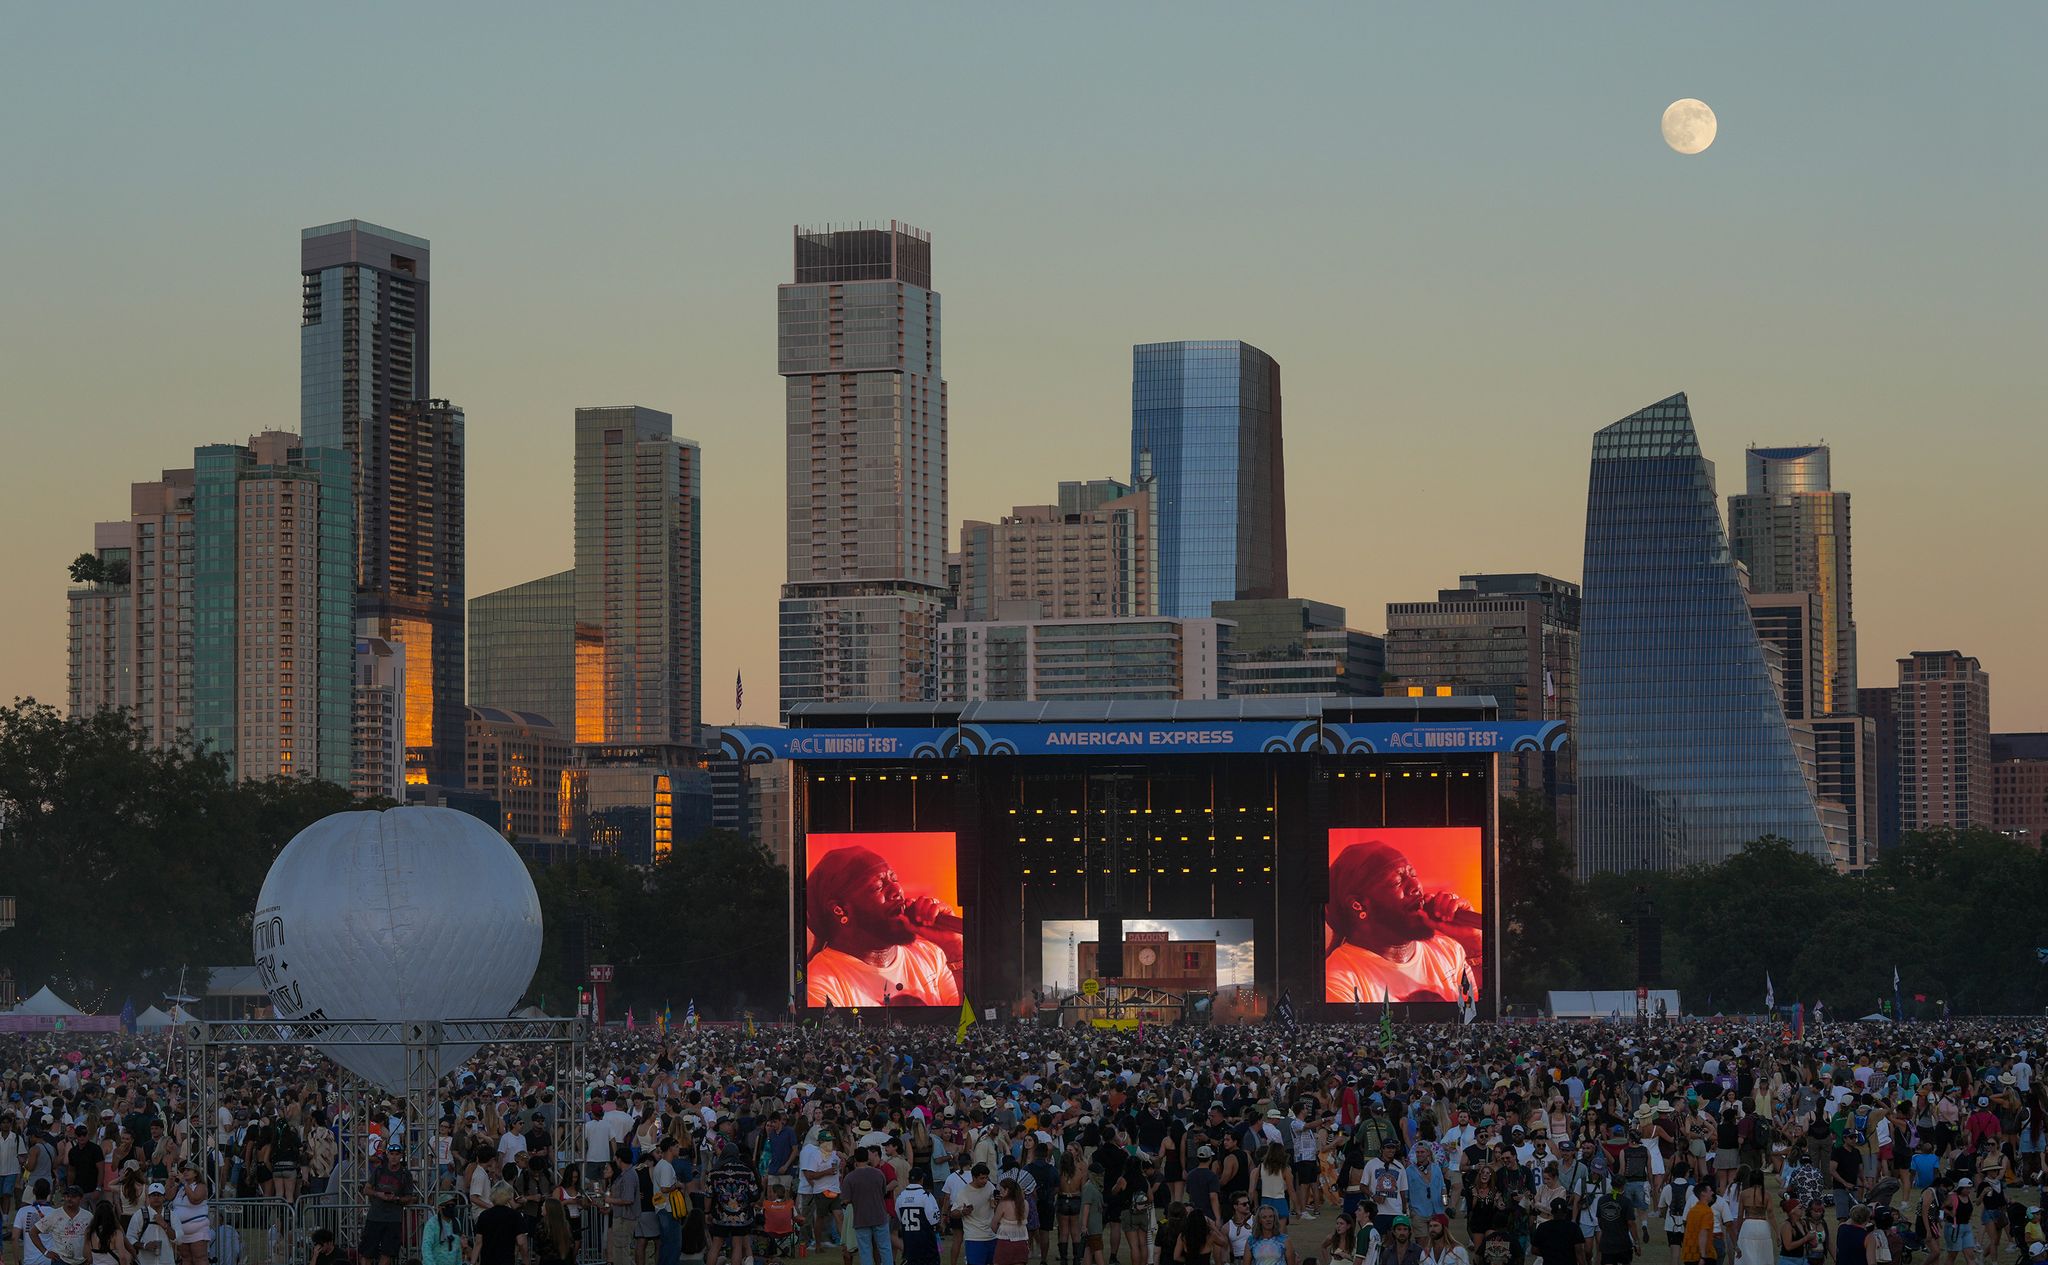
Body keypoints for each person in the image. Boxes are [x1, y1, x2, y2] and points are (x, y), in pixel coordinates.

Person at [804, 847, 963, 1009]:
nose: (897, 890)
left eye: (894, 879)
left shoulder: (930, 955)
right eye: (878, 886)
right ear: (839, 909)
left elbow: (970, 1024)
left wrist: (954, 948)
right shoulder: (818, 983)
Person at [1322, 842, 1479, 1005]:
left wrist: (1474, 944)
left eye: (1413, 874)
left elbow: (1479, 1018)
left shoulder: (1449, 951)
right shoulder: (1337, 981)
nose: (1416, 886)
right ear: (1358, 905)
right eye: (1397, 881)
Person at [364, 1144, 418, 1265]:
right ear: (387, 1155)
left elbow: (409, 1197)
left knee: (387, 1253)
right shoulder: (379, 1170)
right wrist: (379, 1194)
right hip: (375, 1217)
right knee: (367, 1252)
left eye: (397, 1154)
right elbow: (366, 1189)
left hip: (393, 1218)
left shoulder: (405, 1174)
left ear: (401, 1156)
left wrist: (396, 1198)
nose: (394, 1157)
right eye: (391, 1154)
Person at [846, 1148, 895, 1265]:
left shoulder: (850, 1177)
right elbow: (884, 1191)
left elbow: (846, 1199)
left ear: (856, 1159)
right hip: (879, 1215)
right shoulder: (879, 1173)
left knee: (865, 1250)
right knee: (885, 1248)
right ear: (867, 1158)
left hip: (861, 1218)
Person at [30, 1185, 92, 1265]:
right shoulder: (54, 1215)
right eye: (67, 1196)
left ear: (81, 1198)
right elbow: (33, 1232)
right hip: (60, 1260)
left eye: (73, 1197)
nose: (69, 1199)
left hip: (82, 1261)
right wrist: (45, 1252)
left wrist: (90, 1255)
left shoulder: (88, 1216)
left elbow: (94, 1238)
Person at [894, 1168, 943, 1265]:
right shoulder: (926, 1196)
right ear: (921, 1179)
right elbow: (934, 1220)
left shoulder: (901, 1197)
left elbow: (899, 1217)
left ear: (909, 1180)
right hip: (926, 1243)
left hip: (908, 1242)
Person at [471, 1183, 528, 1265]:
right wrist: (526, 1261)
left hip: (487, 1260)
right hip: (506, 1260)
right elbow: (521, 1242)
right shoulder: (515, 1216)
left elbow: (478, 1242)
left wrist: (472, 1263)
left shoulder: (484, 1215)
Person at [123, 1184, 172, 1265]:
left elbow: (179, 1239)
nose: (156, 1197)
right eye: (153, 1195)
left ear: (164, 1197)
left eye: (159, 1195)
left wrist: (164, 1225)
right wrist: (145, 1245)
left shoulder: (171, 1215)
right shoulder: (139, 1215)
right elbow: (130, 1238)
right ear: (148, 1197)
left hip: (166, 1261)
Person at [1530, 1198, 1583, 1265]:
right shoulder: (1574, 1228)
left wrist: (1548, 1254)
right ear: (1566, 1212)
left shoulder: (1543, 1227)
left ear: (1552, 1212)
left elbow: (1534, 1250)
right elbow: (1579, 1253)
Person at [424, 1197, 468, 1265]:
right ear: (440, 1208)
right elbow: (426, 1248)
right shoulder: (432, 1224)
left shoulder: (456, 1222)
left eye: (453, 1205)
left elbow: (458, 1248)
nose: (451, 1208)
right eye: (448, 1206)